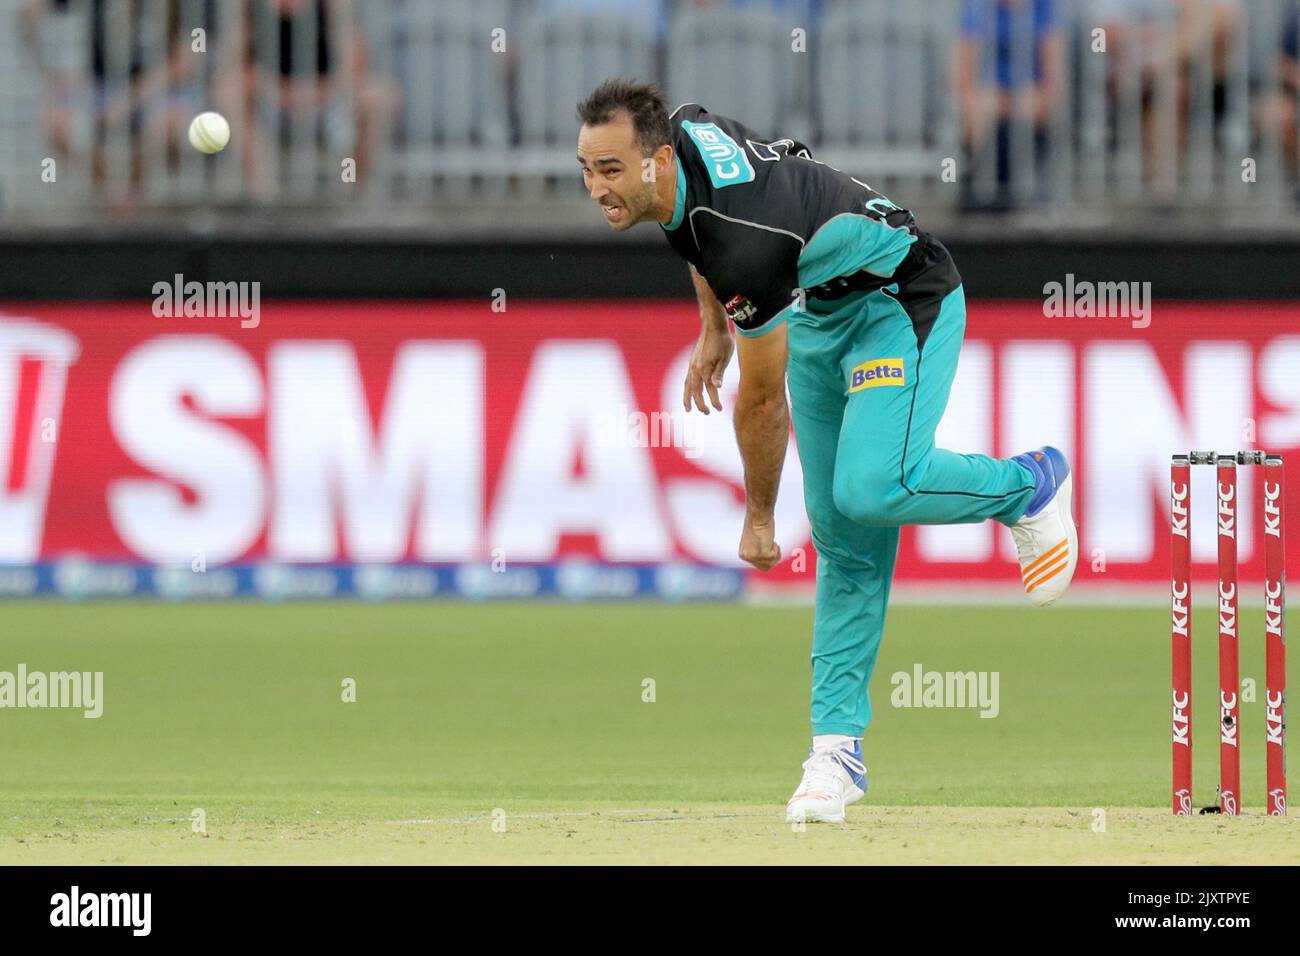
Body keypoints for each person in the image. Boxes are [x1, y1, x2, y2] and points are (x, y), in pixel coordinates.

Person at [575, 77, 1078, 823]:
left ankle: (1028, 484)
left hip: (899, 297)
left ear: (654, 159)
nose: (596, 189)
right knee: (845, 543)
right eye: (585, 169)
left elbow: (759, 401)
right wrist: (712, 325)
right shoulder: (677, 134)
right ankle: (835, 752)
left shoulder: (747, 244)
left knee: (873, 488)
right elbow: (693, 231)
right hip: (810, 309)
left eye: (611, 171)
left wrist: (758, 519)